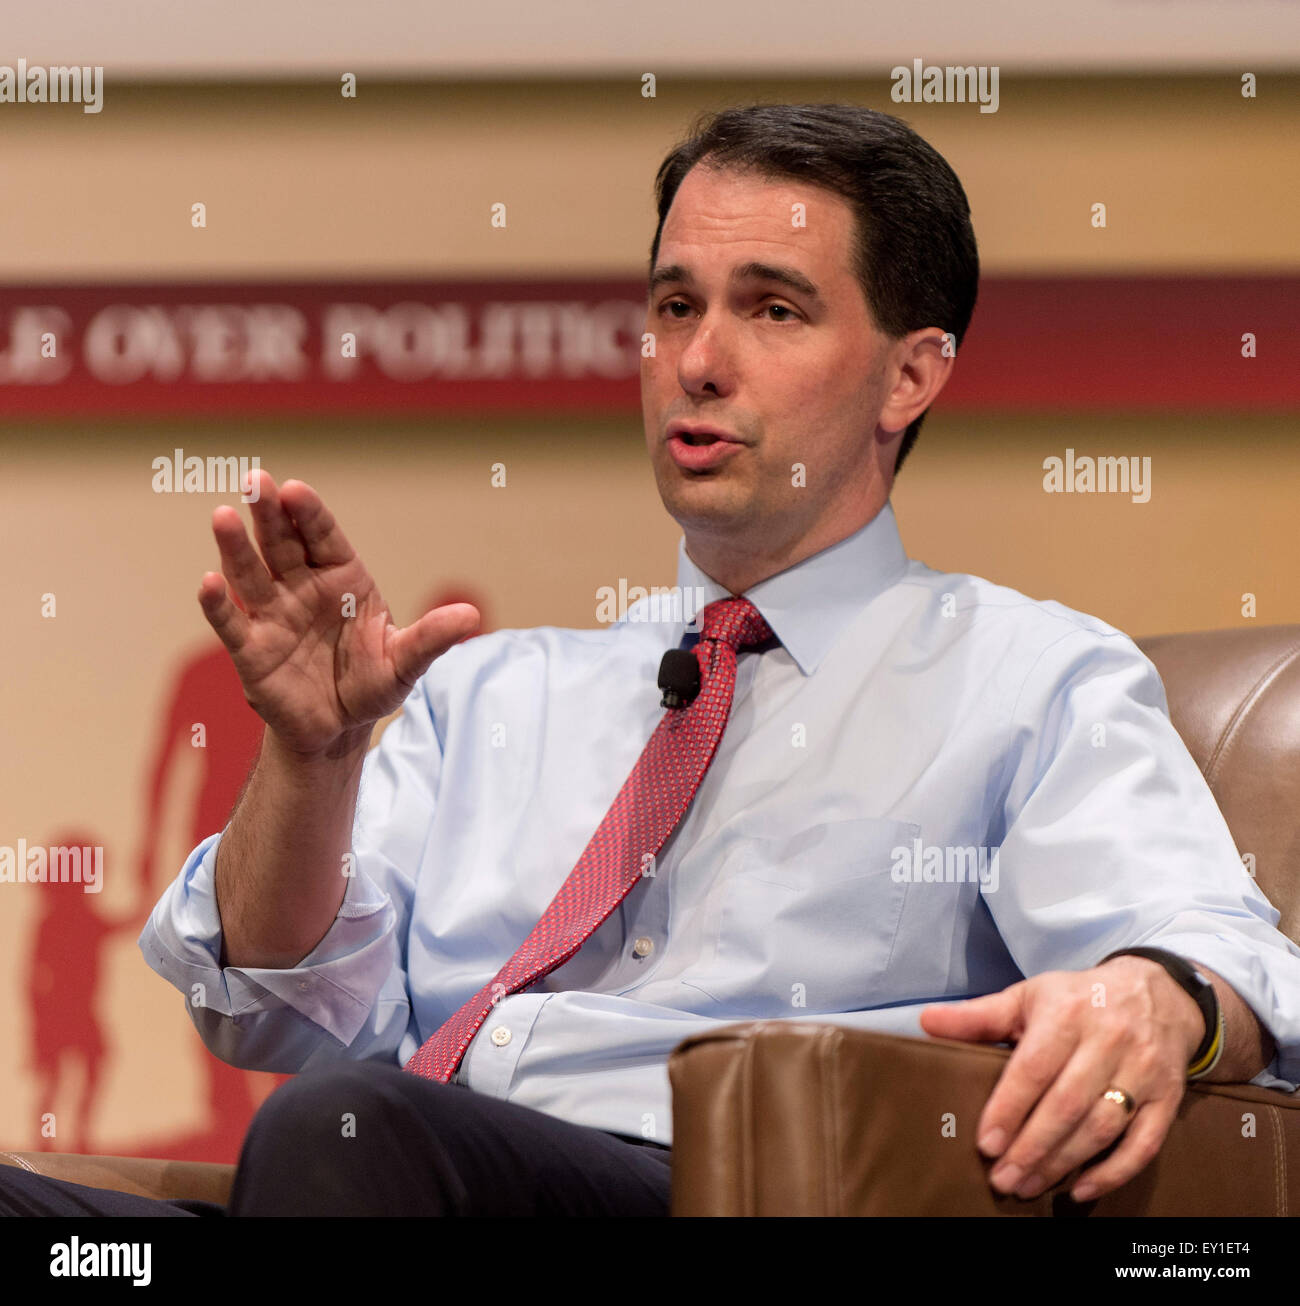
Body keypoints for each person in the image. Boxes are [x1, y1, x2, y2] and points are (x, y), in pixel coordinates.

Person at [4, 102, 1297, 1219]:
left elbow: (1218, 952)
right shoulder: (491, 692)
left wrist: (1161, 998)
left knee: (354, 1127)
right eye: (674, 305)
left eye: (772, 309)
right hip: (399, 1180)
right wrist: (314, 755)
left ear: (912, 375)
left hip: (708, 1191)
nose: (697, 360)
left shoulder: (1025, 677)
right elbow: (266, 1005)